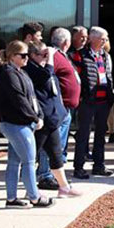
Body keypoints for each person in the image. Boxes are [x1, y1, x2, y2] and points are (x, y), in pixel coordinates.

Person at [0, 41, 54, 208]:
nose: (26, 58)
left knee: (15, 161)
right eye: (22, 55)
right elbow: (19, 99)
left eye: (27, 55)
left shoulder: (20, 72)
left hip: (21, 122)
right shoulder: (9, 73)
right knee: (29, 161)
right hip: (15, 123)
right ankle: (34, 196)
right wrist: (35, 118)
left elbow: (32, 97)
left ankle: (11, 198)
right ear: (12, 56)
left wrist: (38, 115)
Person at [24, 41, 81, 198]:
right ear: (32, 55)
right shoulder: (31, 69)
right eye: (42, 55)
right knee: (31, 157)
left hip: (53, 118)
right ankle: (30, 191)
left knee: (56, 155)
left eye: (46, 55)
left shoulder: (45, 68)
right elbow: (45, 76)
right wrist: (49, 59)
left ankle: (64, 187)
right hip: (42, 120)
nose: (46, 58)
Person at [36, 28, 79, 190]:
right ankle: (46, 175)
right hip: (58, 110)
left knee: (57, 145)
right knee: (52, 145)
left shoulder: (59, 55)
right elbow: (48, 78)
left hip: (64, 109)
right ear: (66, 42)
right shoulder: (52, 55)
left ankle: (50, 175)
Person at [71, 26, 114, 179]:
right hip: (88, 101)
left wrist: (112, 94)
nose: (104, 41)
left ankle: (99, 165)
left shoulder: (105, 56)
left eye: (106, 39)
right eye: (102, 39)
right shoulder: (80, 55)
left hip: (104, 101)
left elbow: (109, 76)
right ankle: (79, 167)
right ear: (93, 38)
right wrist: (81, 96)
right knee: (83, 134)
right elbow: (75, 79)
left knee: (101, 134)